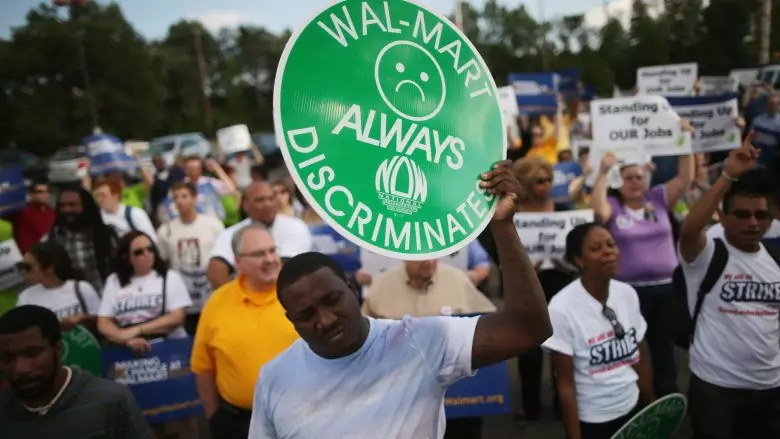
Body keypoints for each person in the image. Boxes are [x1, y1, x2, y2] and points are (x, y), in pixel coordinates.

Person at [248, 161, 552, 438]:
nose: (325, 320)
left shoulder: (421, 341)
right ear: (291, 320)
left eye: (332, 300)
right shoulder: (274, 378)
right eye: (306, 314)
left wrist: (503, 227)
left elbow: (529, 329)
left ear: (352, 289)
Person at [678, 134, 780, 439]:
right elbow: (689, 228)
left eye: (761, 215)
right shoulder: (709, 251)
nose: (753, 222)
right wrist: (728, 175)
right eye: (742, 214)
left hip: (770, 386)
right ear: (722, 217)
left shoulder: (775, 256)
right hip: (716, 388)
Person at [590, 147, 693, 398]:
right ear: (619, 182)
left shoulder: (658, 198)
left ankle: (667, 396)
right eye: (628, 178)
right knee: (627, 346)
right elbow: (598, 211)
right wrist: (602, 172)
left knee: (663, 347)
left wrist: (682, 144)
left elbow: (684, 179)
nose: (634, 182)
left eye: (638, 177)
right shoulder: (614, 206)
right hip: (627, 291)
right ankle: (631, 397)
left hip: (665, 288)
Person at [361, 258, 496, 439]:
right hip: (402, 400)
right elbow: (363, 338)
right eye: (420, 256)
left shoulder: (457, 280)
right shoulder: (382, 285)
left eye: (433, 254)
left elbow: (487, 323)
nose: (428, 261)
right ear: (404, 255)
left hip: (458, 397)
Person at [544, 223, 654, 439]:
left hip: (632, 408)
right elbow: (565, 384)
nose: (608, 252)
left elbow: (641, 353)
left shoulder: (627, 294)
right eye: (596, 248)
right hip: (593, 421)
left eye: (611, 244)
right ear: (578, 260)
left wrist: (651, 406)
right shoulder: (561, 308)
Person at [192, 224, 299, 439]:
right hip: (240, 425)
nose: (270, 259)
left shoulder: (299, 293)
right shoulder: (217, 303)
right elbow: (203, 368)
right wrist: (215, 419)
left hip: (302, 416)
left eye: (272, 250)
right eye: (259, 254)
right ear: (238, 262)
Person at [0, 305, 151, 438]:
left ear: (57, 349)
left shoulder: (111, 400)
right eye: (8, 358)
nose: (21, 369)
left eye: (32, 354)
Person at [512, 156, 578, 420]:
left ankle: (563, 405)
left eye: (549, 180)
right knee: (528, 349)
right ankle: (531, 408)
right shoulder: (513, 215)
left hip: (561, 283)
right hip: (526, 288)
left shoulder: (564, 210)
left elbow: (577, 247)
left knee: (561, 346)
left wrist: (570, 264)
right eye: (540, 181)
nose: (546, 186)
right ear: (527, 184)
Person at [97, 231, 192, 353]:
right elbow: (104, 322)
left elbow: (177, 317)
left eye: (150, 249)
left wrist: (138, 330)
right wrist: (125, 339)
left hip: (167, 347)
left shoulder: (169, 277)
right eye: (139, 252)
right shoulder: (114, 281)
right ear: (126, 256)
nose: (147, 254)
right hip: (128, 350)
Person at [207, 181, 311, 289]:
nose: (267, 204)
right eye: (260, 200)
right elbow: (215, 270)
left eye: (271, 198)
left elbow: (286, 270)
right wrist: (238, 297)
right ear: (245, 205)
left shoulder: (295, 226)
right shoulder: (232, 232)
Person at [157, 182, 224, 334]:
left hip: (210, 293)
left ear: (194, 198)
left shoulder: (213, 225)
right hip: (182, 297)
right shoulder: (165, 231)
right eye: (176, 197)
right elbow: (163, 262)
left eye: (184, 196)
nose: (180, 201)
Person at [46, 184, 119, 292]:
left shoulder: (105, 235)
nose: (67, 209)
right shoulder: (54, 237)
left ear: (85, 206)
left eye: (72, 205)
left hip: (103, 298)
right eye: (62, 206)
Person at [15, 241, 100, 332]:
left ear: (49, 268)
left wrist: (83, 318)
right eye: (21, 267)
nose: (24, 272)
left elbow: (103, 320)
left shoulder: (81, 288)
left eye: (27, 267)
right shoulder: (26, 298)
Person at [4, 180, 55, 254]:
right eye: (40, 192)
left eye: (48, 191)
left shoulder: (53, 212)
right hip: (27, 255)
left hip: (49, 255)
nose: (45, 194)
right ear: (31, 194)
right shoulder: (21, 210)